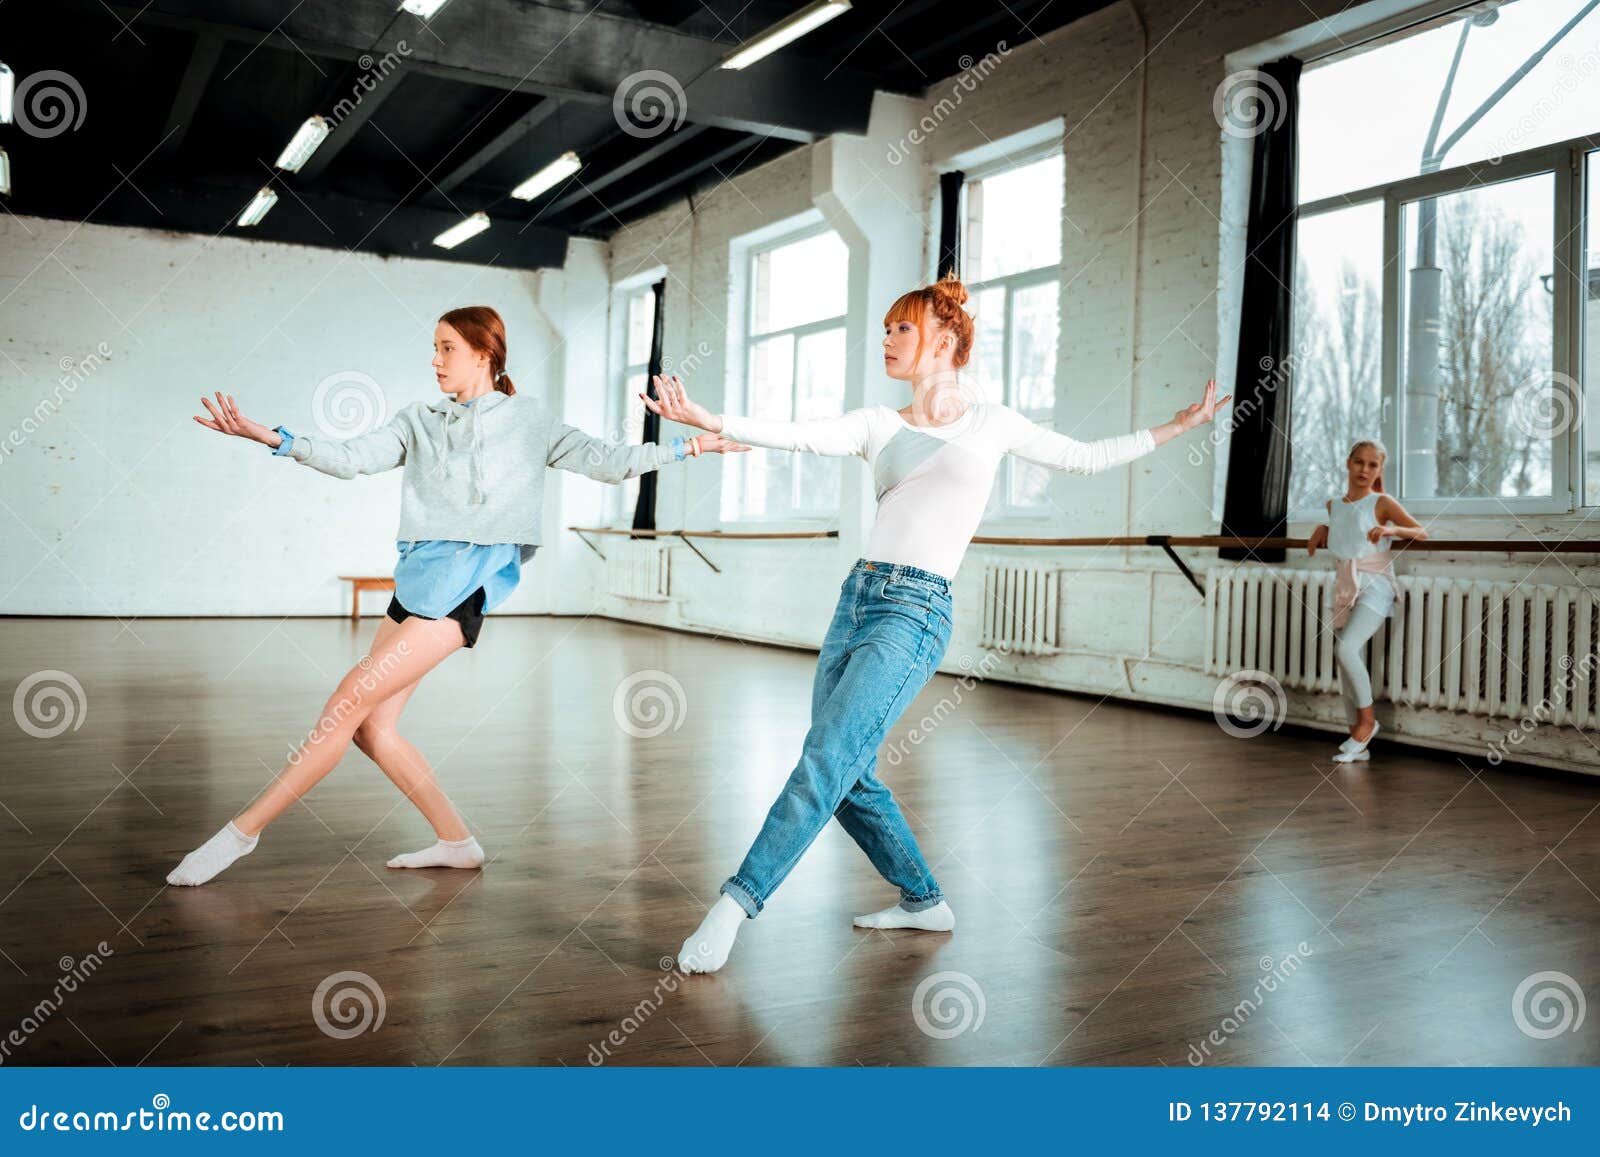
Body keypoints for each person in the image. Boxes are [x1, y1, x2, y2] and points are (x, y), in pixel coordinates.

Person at [642, 274, 1231, 973]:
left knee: (826, 759)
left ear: (946, 341)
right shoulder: (878, 423)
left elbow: (1087, 457)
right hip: (856, 600)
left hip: (915, 613)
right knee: (847, 768)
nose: (887, 339)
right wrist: (712, 421)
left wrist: (1180, 427)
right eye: (886, 328)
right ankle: (923, 900)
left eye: (903, 328)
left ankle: (733, 907)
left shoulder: (993, 424)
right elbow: (799, 437)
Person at [167, 305, 747, 886]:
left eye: (447, 347)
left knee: (348, 701)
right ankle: (457, 842)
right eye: (435, 347)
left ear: (484, 354)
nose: (435, 359)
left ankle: (241, 834)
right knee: (373, 728)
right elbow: (350, 459)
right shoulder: (418, 419)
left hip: (465, 585)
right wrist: (269, 436)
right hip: (416, 581)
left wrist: (692, 448)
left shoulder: (529, 420)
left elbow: (611, 462)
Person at [1306, 438, 1427, 763]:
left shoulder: (1383, 502)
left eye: (1373, 465)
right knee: (1347, 659)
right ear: (1348, 463)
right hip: (1347, 585)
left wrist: (1392, 531)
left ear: (1379, 469)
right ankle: (1357, 736)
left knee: (1344, 649)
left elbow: (1421, 532)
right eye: (1359, 462)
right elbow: (1348, 533)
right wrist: (1323, 529)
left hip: (1376, 587)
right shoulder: (1334, 504)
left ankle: (1368, 723)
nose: (1365, 469)